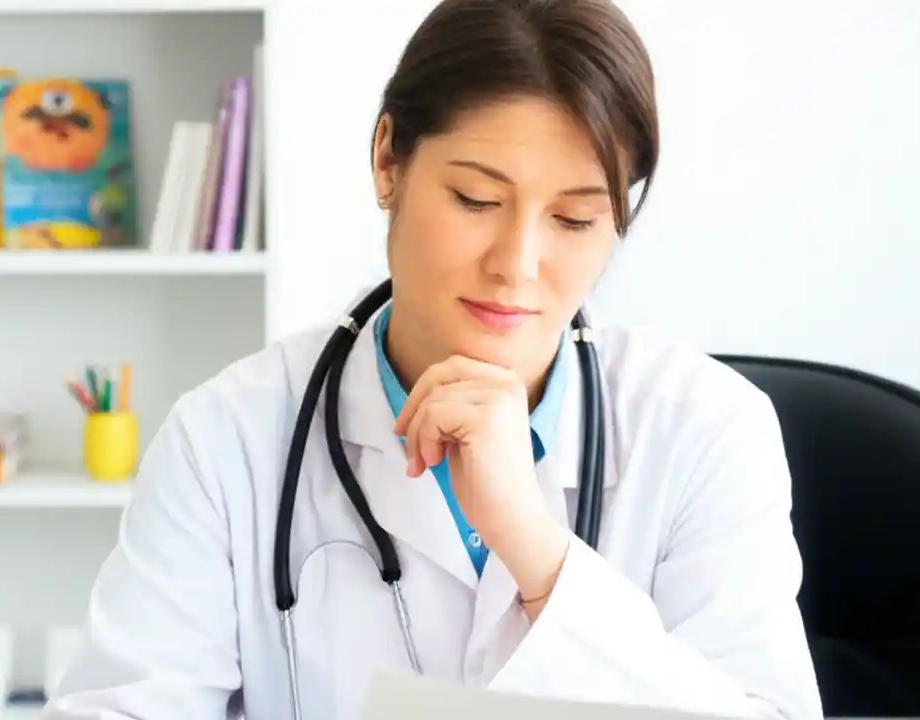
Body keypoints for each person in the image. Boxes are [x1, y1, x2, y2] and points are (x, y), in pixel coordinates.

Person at [44, 1, 823, 718]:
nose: (517, 264)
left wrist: (539, 555)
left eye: (575, 219)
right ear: (389, 159)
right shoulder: (227, 440)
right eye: (477, 201)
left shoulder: (704, 430)